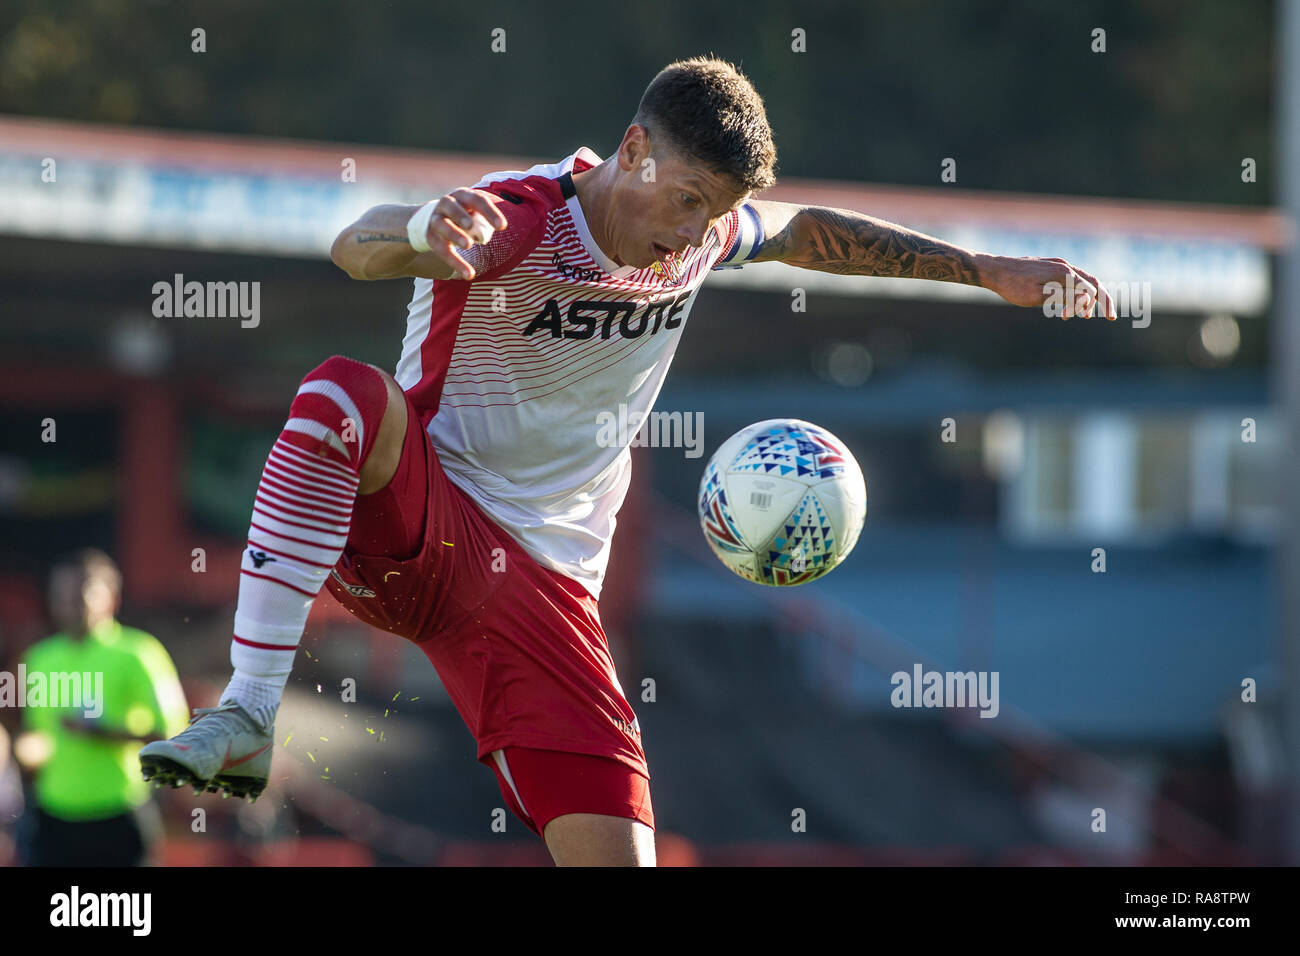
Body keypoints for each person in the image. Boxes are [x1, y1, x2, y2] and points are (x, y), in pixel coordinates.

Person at [140, 56, 1114, 867]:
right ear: (634, 150)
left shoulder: (699, 238)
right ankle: (251, 706)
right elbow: (356, 247)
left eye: (712, 212)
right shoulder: (523, 218)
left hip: (548, 590)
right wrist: (413, 230)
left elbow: (810, 232)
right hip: (427, 524)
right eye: (686, 199)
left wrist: (986, 271)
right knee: (341, 391)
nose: (691, 231)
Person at [17, 548, 189, 866]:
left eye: (79, 592)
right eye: (60, 594)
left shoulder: (139, 654)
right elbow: (39, 735)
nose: (68, 603)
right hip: (54, 817)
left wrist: (103, 733)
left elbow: (174, 736)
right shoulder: (40, 658)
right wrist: (21, 751)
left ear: (110, 597)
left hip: (119, 814)